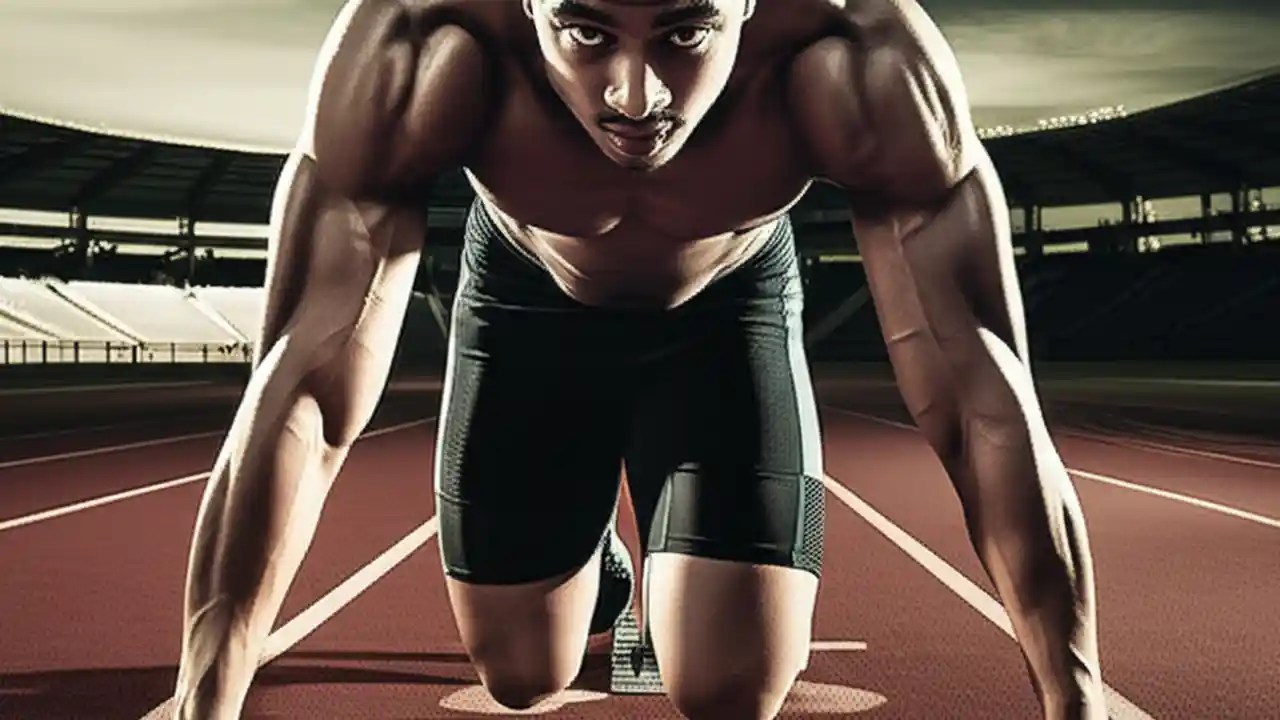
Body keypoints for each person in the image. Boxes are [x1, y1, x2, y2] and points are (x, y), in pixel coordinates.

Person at [171, 1, 1107, 718]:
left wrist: (1076, 696)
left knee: (730, 691)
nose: (635, 97)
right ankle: (604, 569)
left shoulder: (852, 56)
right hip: (526, 310)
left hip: (727, 310)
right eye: (586, 32)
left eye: (684, 34)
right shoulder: (427, 45)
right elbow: (304, 390)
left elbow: (981, 399)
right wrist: (205, 696)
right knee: (521, 678)